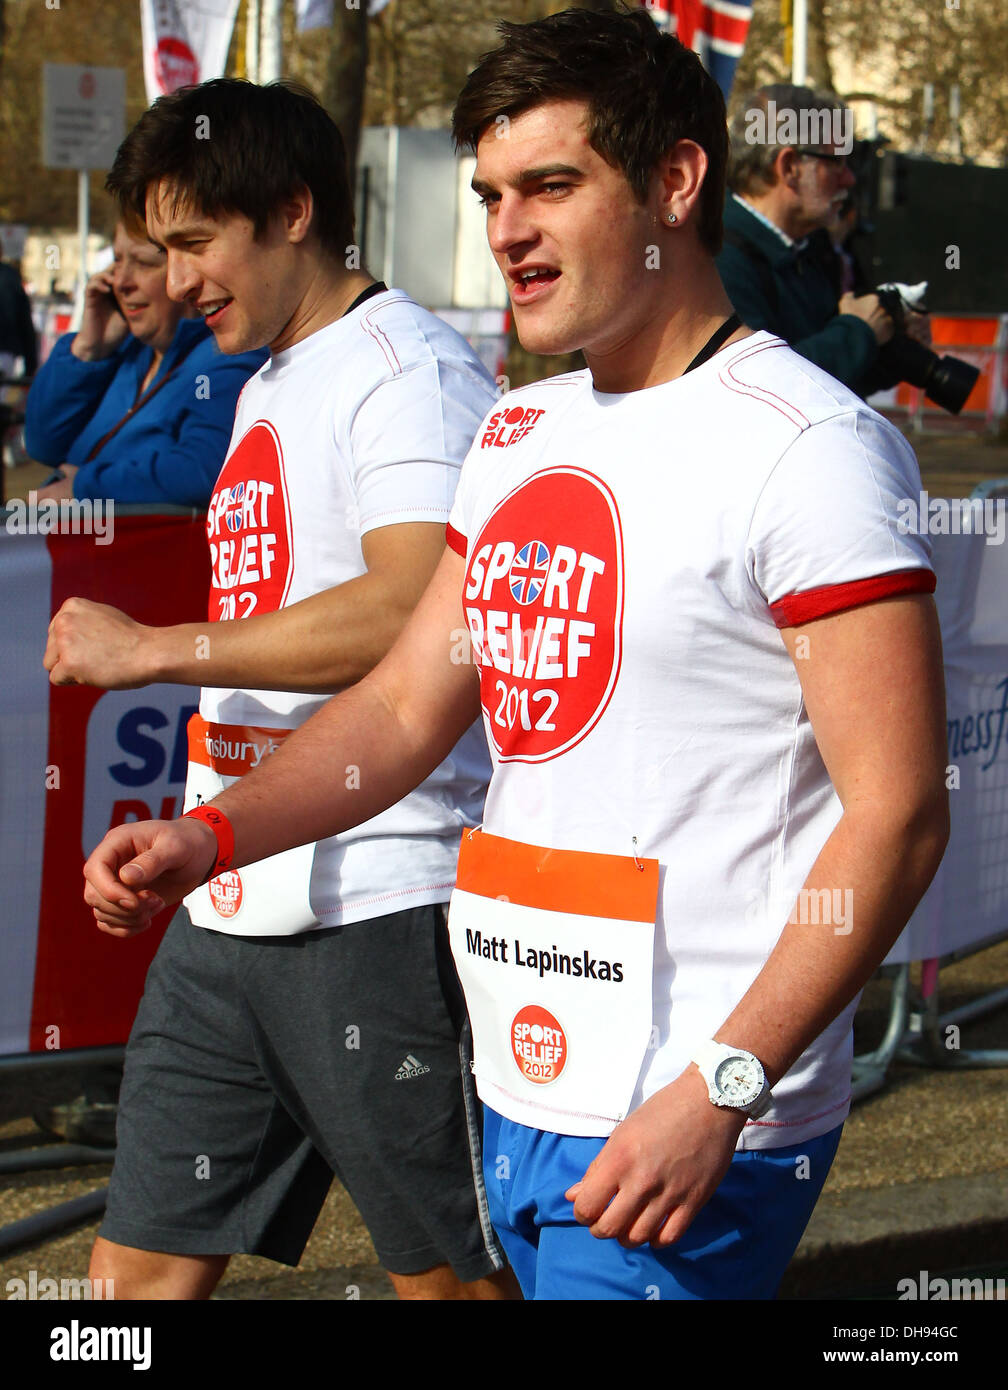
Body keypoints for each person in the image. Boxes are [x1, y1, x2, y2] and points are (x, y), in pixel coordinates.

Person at [76, 11, 949, 1301]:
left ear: (673, 184)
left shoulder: (806, 445)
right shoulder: (522, 431)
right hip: (518, 1078)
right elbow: (405, 707)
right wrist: (216, 837)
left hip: (688, 1116)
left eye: (551, 186)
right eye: (492, 193)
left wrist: (724, 1083)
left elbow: (900, 813)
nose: (506, 230)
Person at [44, 78, 516, 1301]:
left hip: (385, 904)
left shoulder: (409, 367)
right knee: (130, 1281)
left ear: (294, 210)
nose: (183, 280)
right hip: (227, 904)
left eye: (198, 243)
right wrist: (191, 828)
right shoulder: (262, 378)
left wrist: (155, 648)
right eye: (166, 249)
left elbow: (417, 611)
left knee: (455, 1286)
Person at [24, 220, 265, 506]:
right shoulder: (124, 352)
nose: (121, 282)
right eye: (117, 260)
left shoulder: (224, 358)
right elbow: (43, 444)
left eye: (143, 263)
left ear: (184, 274)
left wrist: (85, 486)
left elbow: (201, 472)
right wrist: (88, 350)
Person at [716, 83, 897, 394]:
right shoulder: (718, 257)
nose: (849, 178)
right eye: (836, 161)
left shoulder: (808, 249)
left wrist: (891, 339)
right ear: (789, 167)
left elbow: (833, 384)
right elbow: (760, 385)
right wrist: (858, 332)